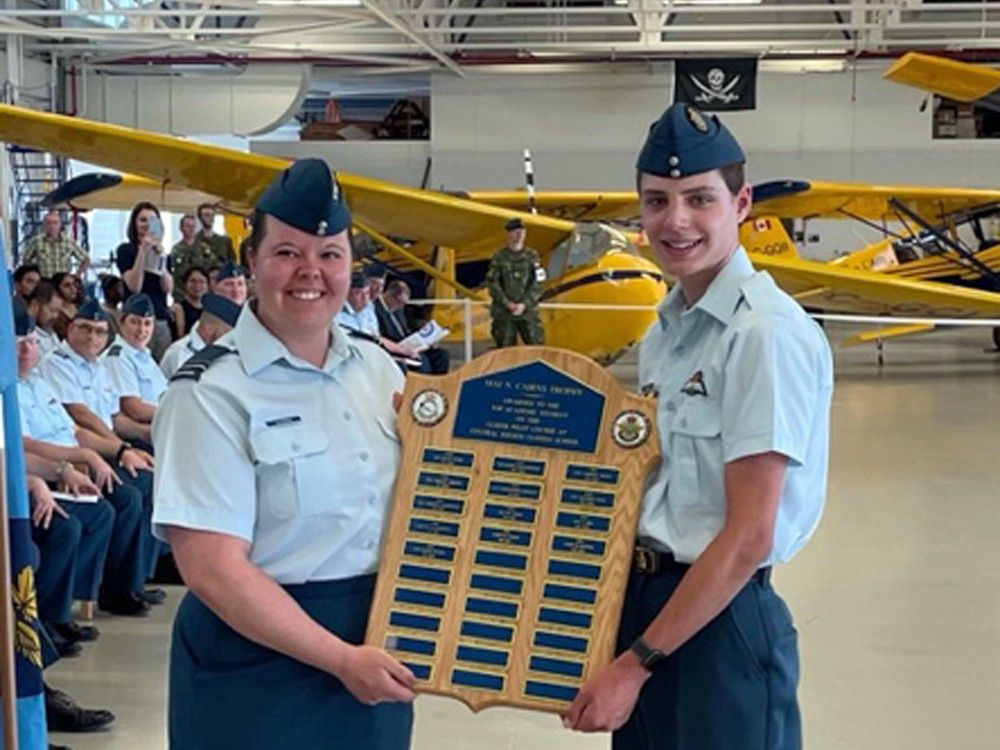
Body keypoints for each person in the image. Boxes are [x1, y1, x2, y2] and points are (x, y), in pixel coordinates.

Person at [562, 103, 834, 750]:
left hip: (719, 623)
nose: (675, 221)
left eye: (698, 199)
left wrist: (635, 665)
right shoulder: (667, 333)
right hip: (650, 609)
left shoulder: (761, 333)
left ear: (741, 204)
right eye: (656, 201)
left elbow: (747, 536)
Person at [152, 158, 415, 749]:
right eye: (288, 253)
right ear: (251, 263)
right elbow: (213, 570)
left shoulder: (376, 368)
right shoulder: (210, 393)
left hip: (375, 652)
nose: (310, 273)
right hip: (256, 664)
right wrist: (342, 659)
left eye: (330, 254)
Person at [16, 302, 149, 618]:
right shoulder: (36, 377)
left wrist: (117, 451)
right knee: (108, 506)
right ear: (70, 329)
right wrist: (84, 458)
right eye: (19, 345)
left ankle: (109, 590)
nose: (27, 351)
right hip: (49, 469)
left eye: (32, 343)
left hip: (73, 462)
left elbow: (74, 429)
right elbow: (28, 443)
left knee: (132, 491)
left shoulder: (38, 382)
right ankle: (62, 611)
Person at [115, 202, 174, 360]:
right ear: (134, 224)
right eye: (142, 220)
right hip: (135, 319)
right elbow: (135, 286)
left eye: (152, 220)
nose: (147, 224)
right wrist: (143, 251)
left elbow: (168, 288)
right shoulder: (125, 251)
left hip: (159, 317)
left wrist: (160, 258)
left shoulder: (163, 253)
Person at [485, 217, 545, 347]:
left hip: (528, 312)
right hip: (504, 313)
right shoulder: (499, 257)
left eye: (522, 232)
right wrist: (507, 303)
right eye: (516, 232)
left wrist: (525, 303)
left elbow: (538, 282)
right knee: (504, 349)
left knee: (536, 347)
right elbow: (492, 283)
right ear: (508, 233)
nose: (519, 235)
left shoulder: (532, 256)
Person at [375, 278, 450, 375]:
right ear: (389, 296)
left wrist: (427, 340)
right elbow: (379, 337)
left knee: (442, 356)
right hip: (394, 350)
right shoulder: (376, 309)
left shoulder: (398, 310)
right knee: (422, 363)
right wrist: (403, 349)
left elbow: (407, 330)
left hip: (409, 347)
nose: (401, 306)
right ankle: (423, 387)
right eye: (400, 302)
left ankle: (439, 387)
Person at [159, 292, 241, 380]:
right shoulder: (179, 354)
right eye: (226, 332)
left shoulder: (227, 352)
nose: (230, 338)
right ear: (209, 329)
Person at [20, 210, 90, 278]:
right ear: (44, 225)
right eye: (48, 223)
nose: (52, 226)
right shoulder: (36, 241)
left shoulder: (69, 242)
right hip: (44, 282)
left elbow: (86, 259)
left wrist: (77, 275)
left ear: (60, 225)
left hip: (63, 283)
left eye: (55, 223)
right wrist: (32, 275)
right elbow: (26, 259)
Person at [170, 214, 216, 289]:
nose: (191, 229)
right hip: (182, 291)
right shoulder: (176, 249)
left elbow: (211, 268)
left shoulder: (204, 248)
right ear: (181, 228)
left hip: (201, 290)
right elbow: (174, 272)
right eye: (188, 226)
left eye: (193, 226)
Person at [25, 280, 63, 357]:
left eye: (58, 312)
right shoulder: (24, 334)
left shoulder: (51, 333)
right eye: (51, 310)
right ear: (35, 305)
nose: (55, 316)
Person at [169, 266, 209, 338]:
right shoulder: (176, 309)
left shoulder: (210, 312)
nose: (197, 285)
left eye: (201, 281)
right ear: (185, 284)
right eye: (192, 281)